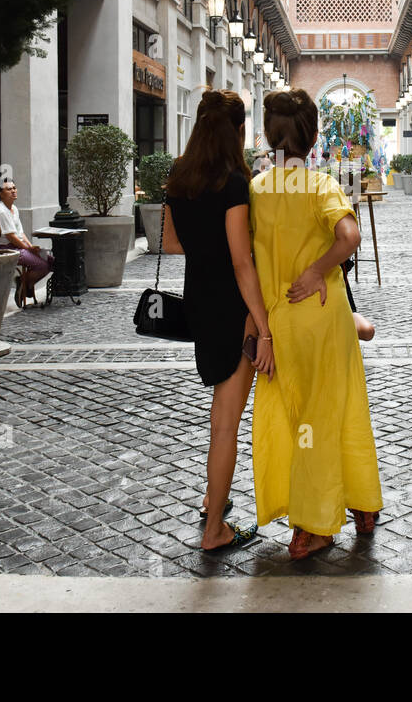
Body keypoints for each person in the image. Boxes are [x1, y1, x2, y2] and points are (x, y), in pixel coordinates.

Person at [250, 89, 383, 559]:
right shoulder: (321, 185)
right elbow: (349, 236)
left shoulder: (259, 189)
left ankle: (314, 525)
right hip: (328, 322)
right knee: (341, 410)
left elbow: (248, 264)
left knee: (301, 420)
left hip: (282, 323)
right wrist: (316, 270)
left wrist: (259, 331)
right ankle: (361, 506)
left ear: (269, 136)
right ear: (311, 137)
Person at [162, 90, 275, 553]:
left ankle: (214, 498)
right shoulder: (232, 183)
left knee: (219, 414)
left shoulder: (178, 176)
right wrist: (264, 327)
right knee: (226, 421)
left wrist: (205, 246)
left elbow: (170, 243)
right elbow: (242, 262)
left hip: (199, 301)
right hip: (233, 307)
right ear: (237, 131)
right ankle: (215, 530)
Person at [0, 181, 52, 306]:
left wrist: (30, 246)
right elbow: (11, 237)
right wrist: (28, 249)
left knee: (50, 259)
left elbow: (21, 233)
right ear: (1, 194)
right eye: (8, 189)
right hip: (7, 249)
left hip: (19, 246)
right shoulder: (1, 211)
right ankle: (24, 283)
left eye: (14, 188)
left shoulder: (14, 209)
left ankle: (24, 283)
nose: (13, 191)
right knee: (43, 265)